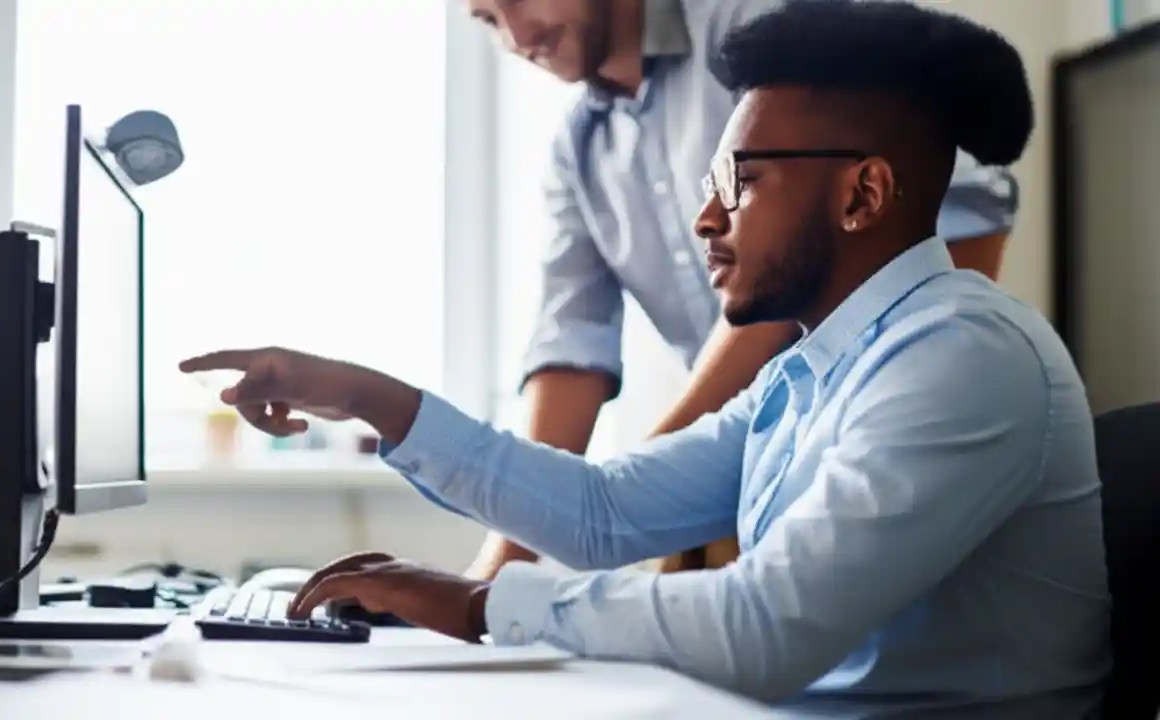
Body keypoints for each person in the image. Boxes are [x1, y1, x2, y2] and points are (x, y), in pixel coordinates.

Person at [182, 1, 1112, 713]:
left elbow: (763, 630)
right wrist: (364, 396)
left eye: (739, 184)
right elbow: (603, 508)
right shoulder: (803, 376)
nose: (707, 218)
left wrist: (475, 606)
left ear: (864, 193)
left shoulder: (959, 356)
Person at [461, 0, 1024, 580]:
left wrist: (652, 478)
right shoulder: (577, 154)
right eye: (485, 20)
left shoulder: (759, 28)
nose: (516, 36)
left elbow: (965, 204)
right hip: (745, 453)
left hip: (871, 433)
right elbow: (571, 345)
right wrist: (502, 562)